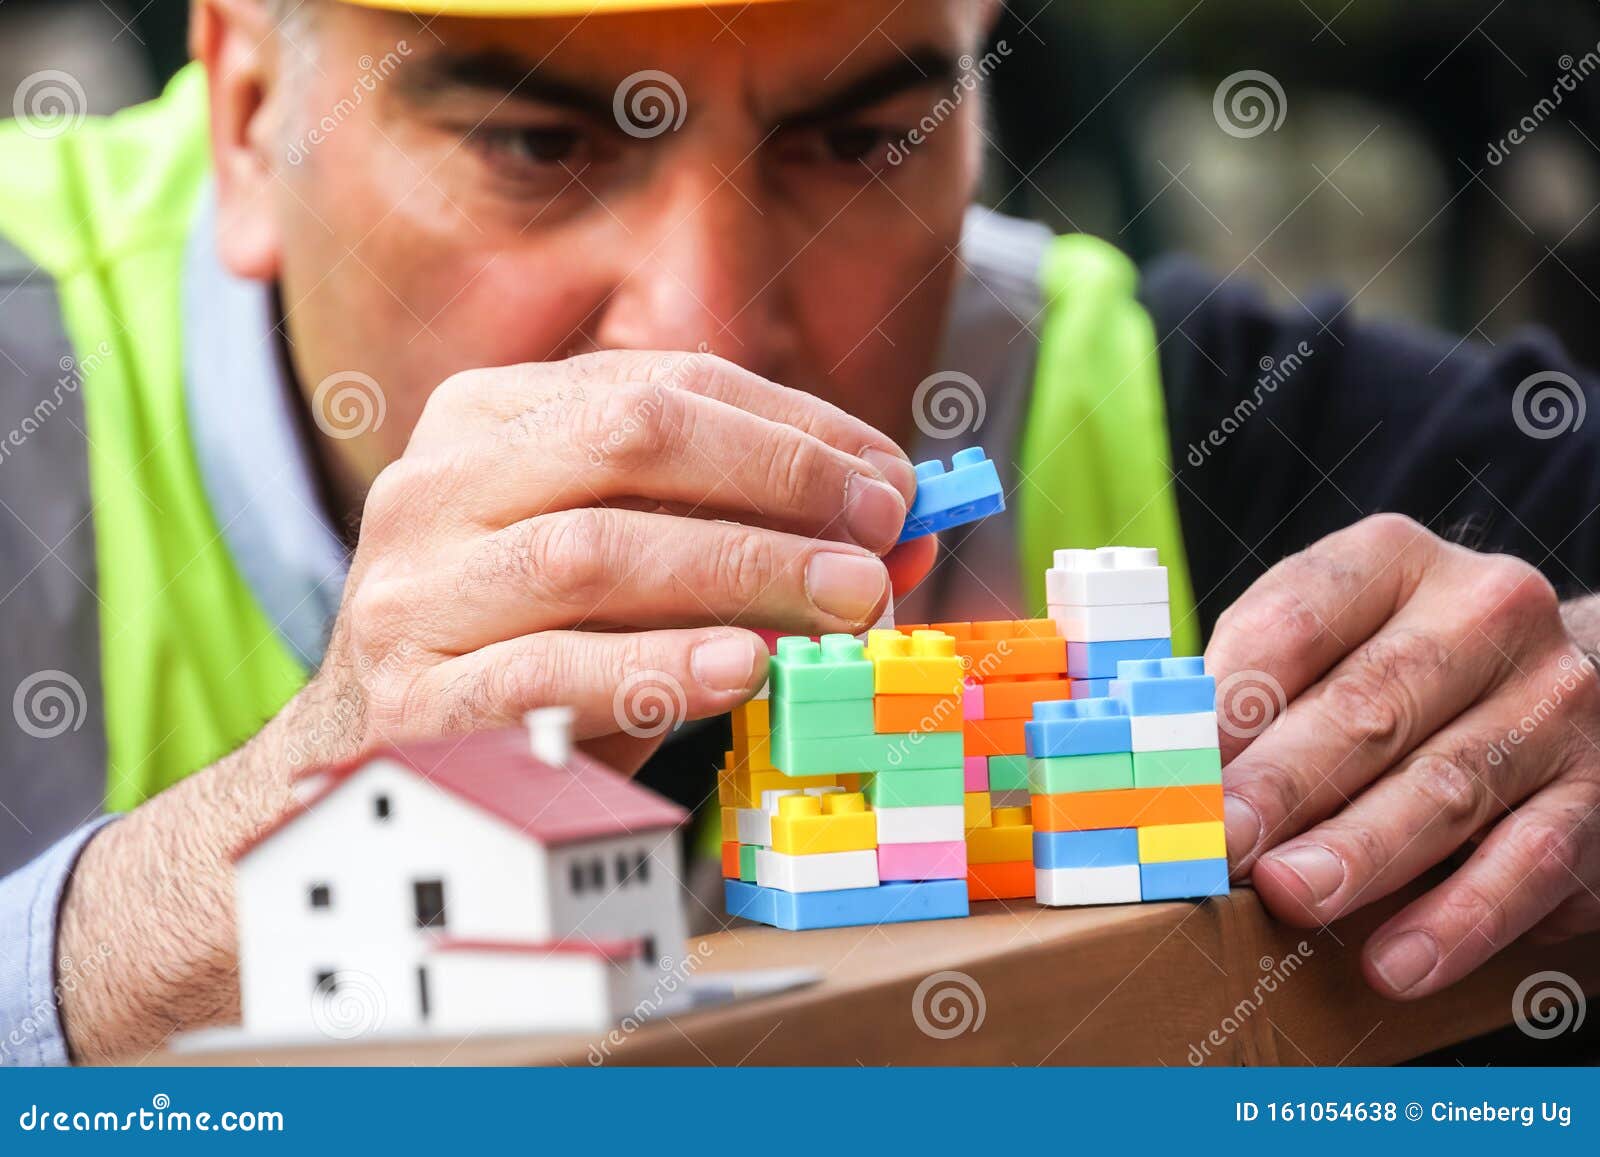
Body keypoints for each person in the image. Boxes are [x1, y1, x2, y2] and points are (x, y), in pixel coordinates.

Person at [1, 0, 1597, 1066]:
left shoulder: (1183, 402)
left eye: (859, 138)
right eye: (538, 146)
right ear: (247, 106)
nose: (705, 333)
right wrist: (196, 900)